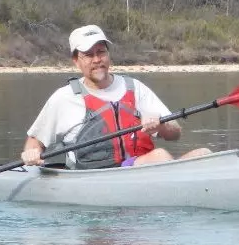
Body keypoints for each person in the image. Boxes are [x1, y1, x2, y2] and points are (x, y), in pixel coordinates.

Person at [21, 24, 211, 169]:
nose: (97, 60)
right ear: (76, 61)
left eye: (101, 52)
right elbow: (35, 141)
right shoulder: (64, 98)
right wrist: (32, 152)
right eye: (88, 55)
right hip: (97, 176)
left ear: (108, 54)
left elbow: (175, 133)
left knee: (205, 154)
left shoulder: (134, 88)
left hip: (145, 169)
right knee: (160, 156)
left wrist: (161, 125)